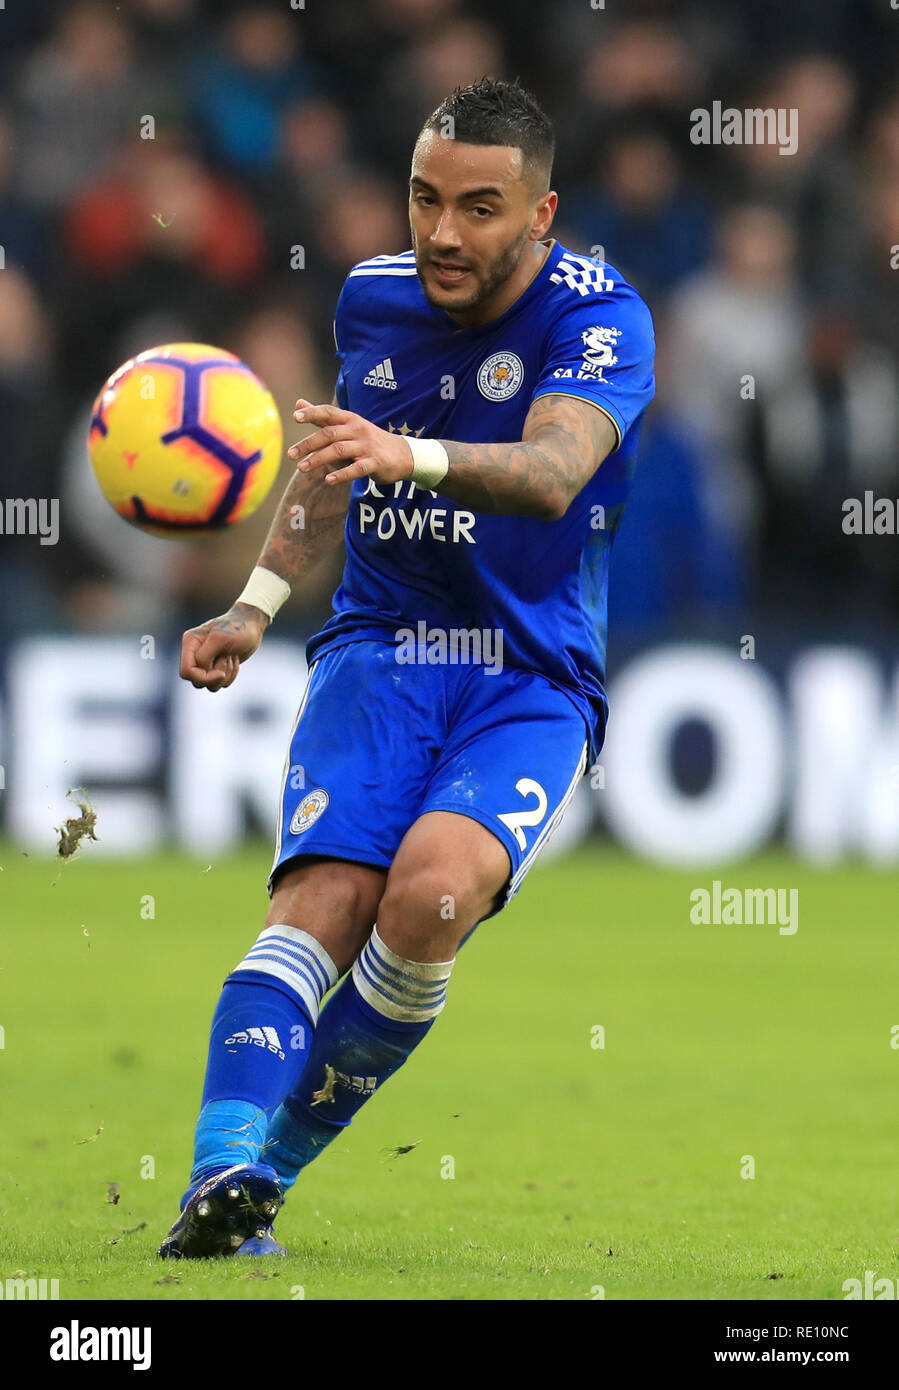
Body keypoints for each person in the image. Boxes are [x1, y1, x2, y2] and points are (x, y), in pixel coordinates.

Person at [159, 77, 655, 1259]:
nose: (441, 232)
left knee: (430, 898)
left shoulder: (604, 318)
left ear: (540, 216)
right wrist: (255, 602)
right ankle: (216, 1174)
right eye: (426, 199)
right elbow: (334, 465)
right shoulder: (370, 300)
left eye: (479, 208)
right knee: (322, 906)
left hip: (528, 672)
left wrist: (411, 453)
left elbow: (548, 472)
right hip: (381, 649)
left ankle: (262, 1176)